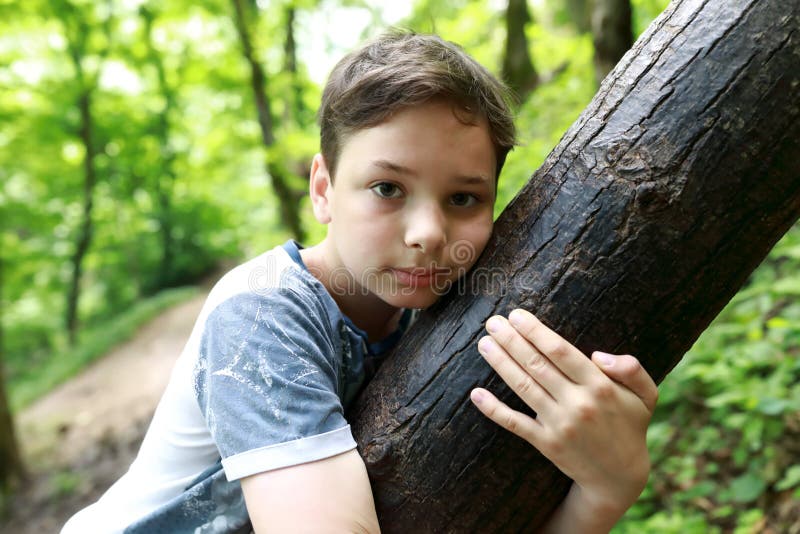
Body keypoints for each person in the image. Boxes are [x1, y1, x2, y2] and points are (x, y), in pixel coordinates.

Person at [62, 30, 657, 533]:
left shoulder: (432, 316)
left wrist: (608, 490)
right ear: (323, 189)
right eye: (387, 188)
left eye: (463, 197)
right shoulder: (262, 315)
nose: (428, 232)